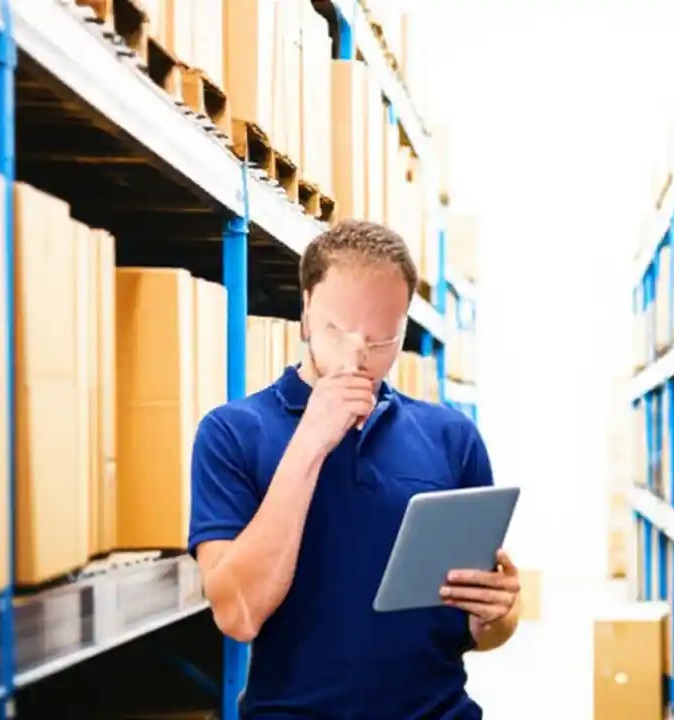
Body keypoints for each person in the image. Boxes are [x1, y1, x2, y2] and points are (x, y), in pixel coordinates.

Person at [187, 219, 520, 719]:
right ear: (305, 313)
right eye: (339, 331)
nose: (359, 357)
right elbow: (238, 614)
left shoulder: (452, 438)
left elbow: (480, 630)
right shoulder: (232, 434)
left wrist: (499, 614)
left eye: (382, 340)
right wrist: (311, 441)